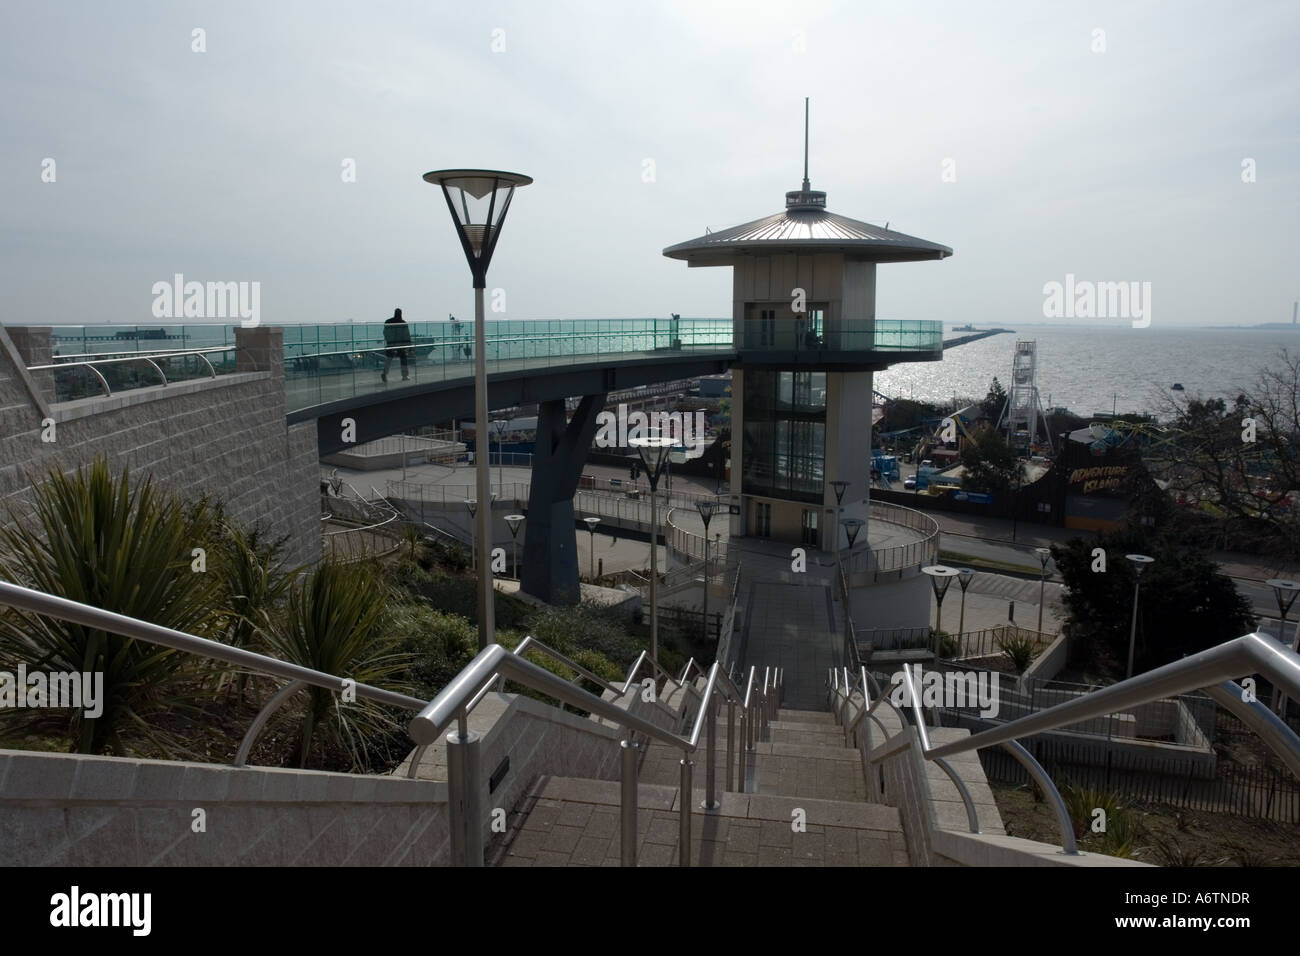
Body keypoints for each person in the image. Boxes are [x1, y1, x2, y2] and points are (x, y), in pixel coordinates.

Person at [382, 308, 412, 382]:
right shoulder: (403, 322)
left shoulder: (388, 322)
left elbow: (385, 333)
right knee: (403, 359)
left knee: (389, 359)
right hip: (401, 344)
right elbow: (406, 335)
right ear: (401, 313)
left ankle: (385, 373)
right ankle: (404, 376)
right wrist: (409, 346)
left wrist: (388, 341)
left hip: (390, 344)